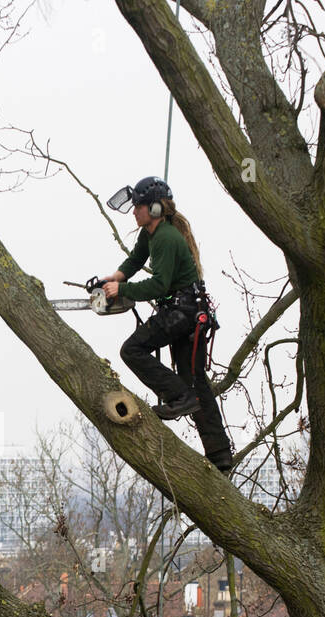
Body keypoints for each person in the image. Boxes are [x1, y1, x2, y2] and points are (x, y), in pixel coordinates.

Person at [101, 176, 233, 472]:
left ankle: (179, 396)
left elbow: (160, 285)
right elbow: (135, 260)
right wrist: (116, 278)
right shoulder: (150, 234)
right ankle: (220, 454)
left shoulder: (166, 237)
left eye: (139, 207)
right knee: (197, 381)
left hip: (183, 312)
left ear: (156, 209)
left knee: (132, 350)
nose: (134, 212)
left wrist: (122, 292)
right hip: (189, 312)